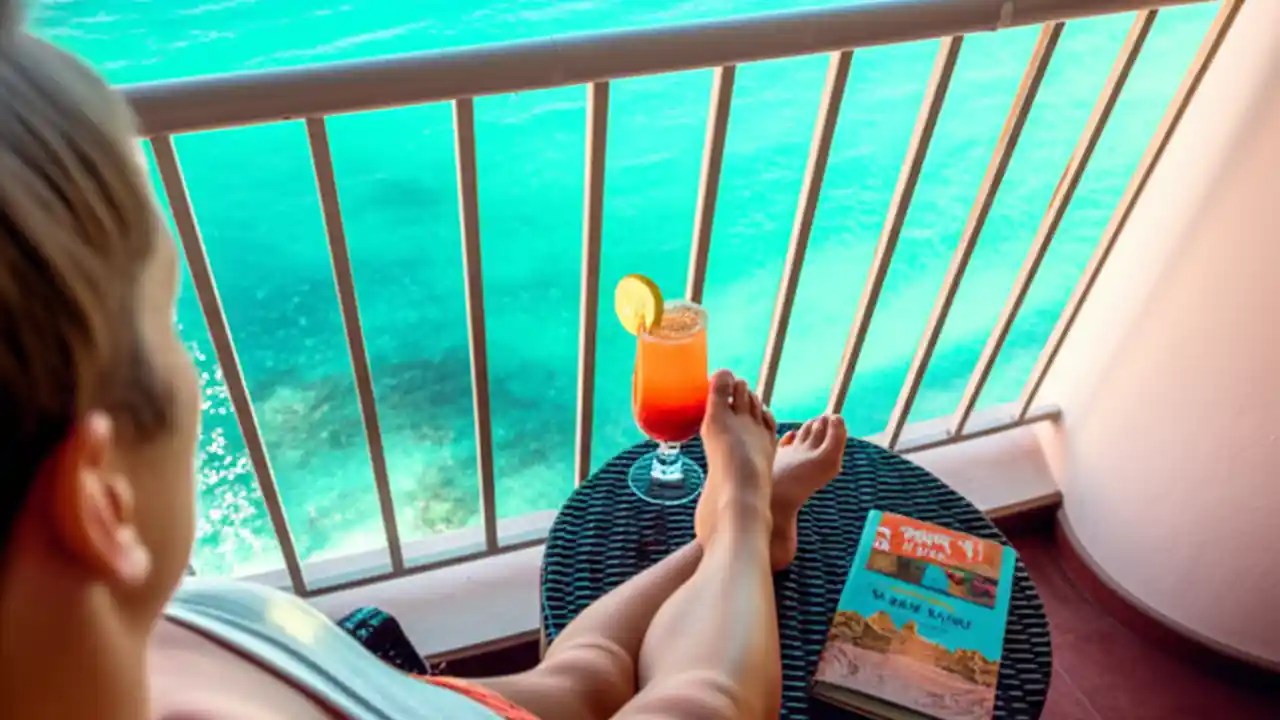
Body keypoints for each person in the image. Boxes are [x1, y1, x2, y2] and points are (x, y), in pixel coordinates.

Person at [0, 2, 849, 717]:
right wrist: (734, 493)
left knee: (584, 671)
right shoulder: (200, 625)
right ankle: (737, 515)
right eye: (169, 327)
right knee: (700, 695)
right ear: (98, 500)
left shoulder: (164, 628)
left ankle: (735, 530)